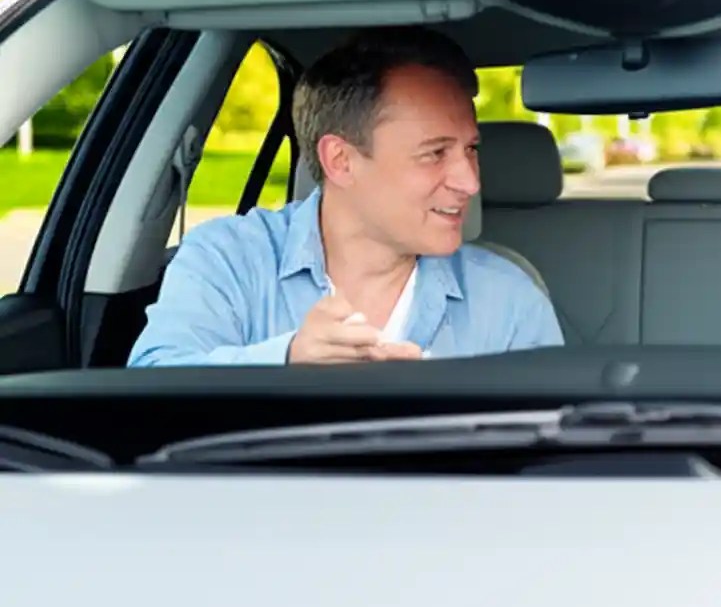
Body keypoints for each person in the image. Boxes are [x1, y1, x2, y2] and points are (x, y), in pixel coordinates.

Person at [129, 26, 563, 366]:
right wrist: (287, 361)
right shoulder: (229, 259)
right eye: (435, 153)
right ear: (341, 160)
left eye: (471, 150)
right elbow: (152, 380)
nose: (470, 181)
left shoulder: (508, 299)